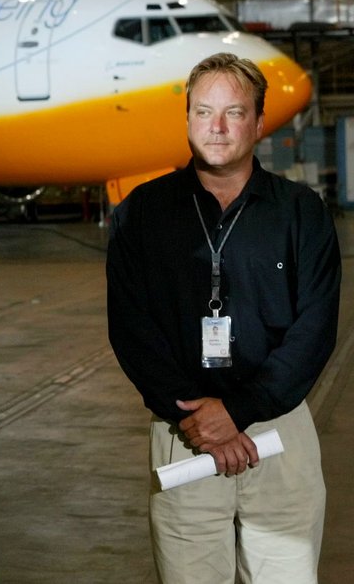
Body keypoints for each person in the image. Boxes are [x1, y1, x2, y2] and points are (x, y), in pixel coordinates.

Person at [107, 53, 339, 583]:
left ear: (258, 122)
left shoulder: (300, 212)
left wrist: (240, 409)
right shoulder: (141, 214)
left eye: (233, 113)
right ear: (187, 118)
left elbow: (316, 328)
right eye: (203, 111)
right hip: (182, 432)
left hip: (278, 434)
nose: (216, 127)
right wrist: (202, 420)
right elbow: (131, 329)